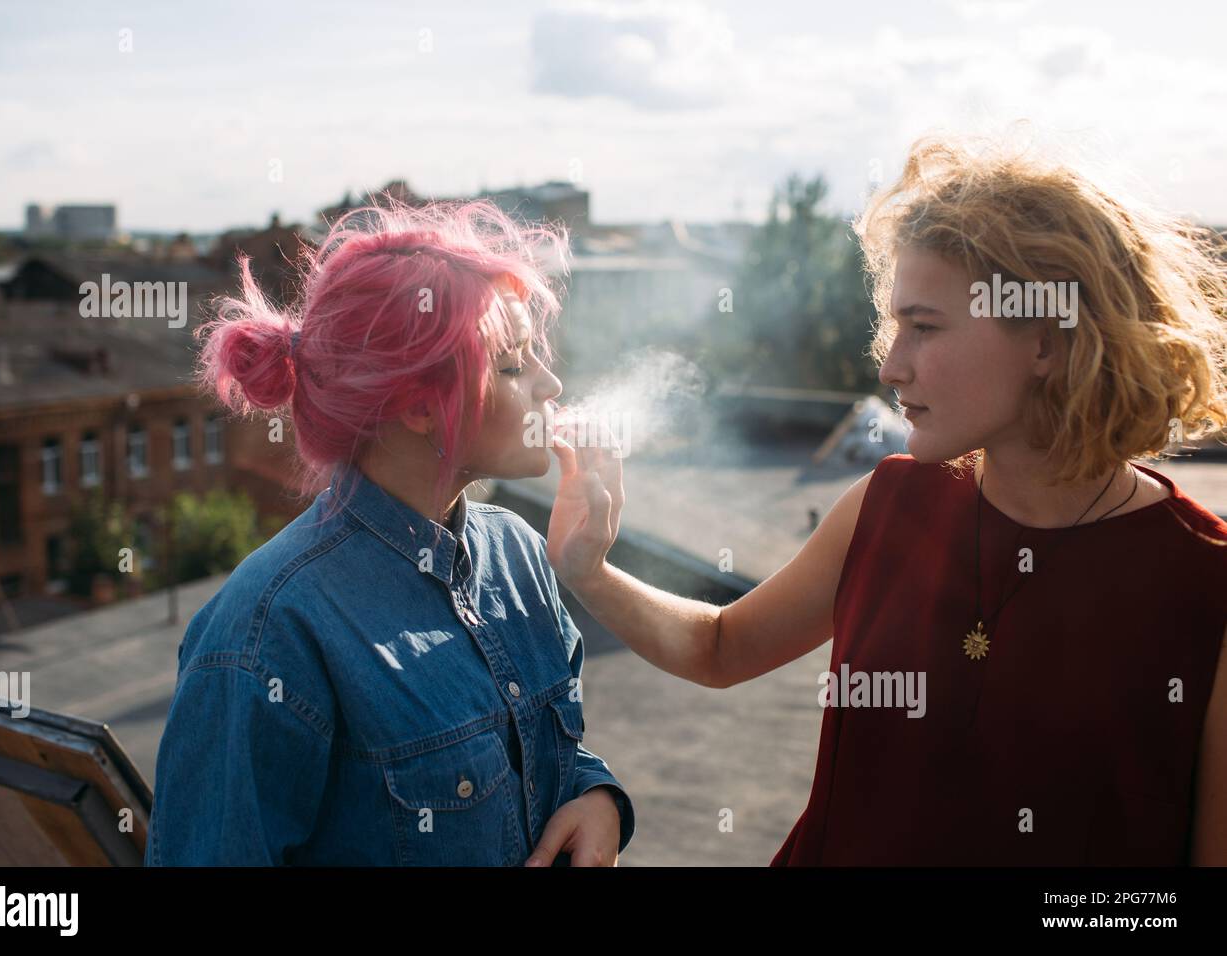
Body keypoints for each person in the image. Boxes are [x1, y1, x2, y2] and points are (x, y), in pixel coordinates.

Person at [544, 133, 1227, 865]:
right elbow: (720, 646)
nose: (891, 363)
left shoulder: (1203, 585)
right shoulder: (886, 503)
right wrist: (590, 571)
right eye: (895, 323)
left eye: (924, 327)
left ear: (1047, 340)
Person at [146, 199, 633, 866]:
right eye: (514, 365)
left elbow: (551, 751)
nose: (550, 383)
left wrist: (598, 797)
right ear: (415, 407)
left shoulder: (519, 550)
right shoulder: (267, 633)